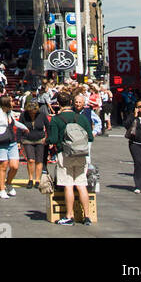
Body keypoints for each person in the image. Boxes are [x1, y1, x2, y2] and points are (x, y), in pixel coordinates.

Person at [47, 89, 94, 225]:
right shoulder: (82, 118)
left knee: (68, 185)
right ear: (71, 102)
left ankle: (69, 215)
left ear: (58, 104)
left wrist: (50, 142)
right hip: (81, 153)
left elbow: (53, 139)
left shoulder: (56, 119)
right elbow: (90, 137)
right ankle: (87, 216)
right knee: (81, 184)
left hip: (65, 153)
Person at [0, 95, 25, 199]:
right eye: (11, 101)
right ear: (5, 103)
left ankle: (8, 183)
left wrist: (24, 127)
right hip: (1, 141)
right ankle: (2, 189)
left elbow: (14, 122)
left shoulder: (9, 112)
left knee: (14, 166)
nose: (13, 102)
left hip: (11, 141)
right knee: (3, 165)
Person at [18, 99, 49, 189]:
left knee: (39, 160)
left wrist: (48, 139)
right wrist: (18, 141)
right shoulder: (23, 115)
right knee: (31, 159)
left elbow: (48, 126)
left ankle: (37, 179)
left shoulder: (42, 115)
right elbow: (19, 127)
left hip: (40, 139)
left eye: (34, 112)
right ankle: (31, 179)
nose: (32, 113)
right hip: (27, 139)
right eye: (30, 112)